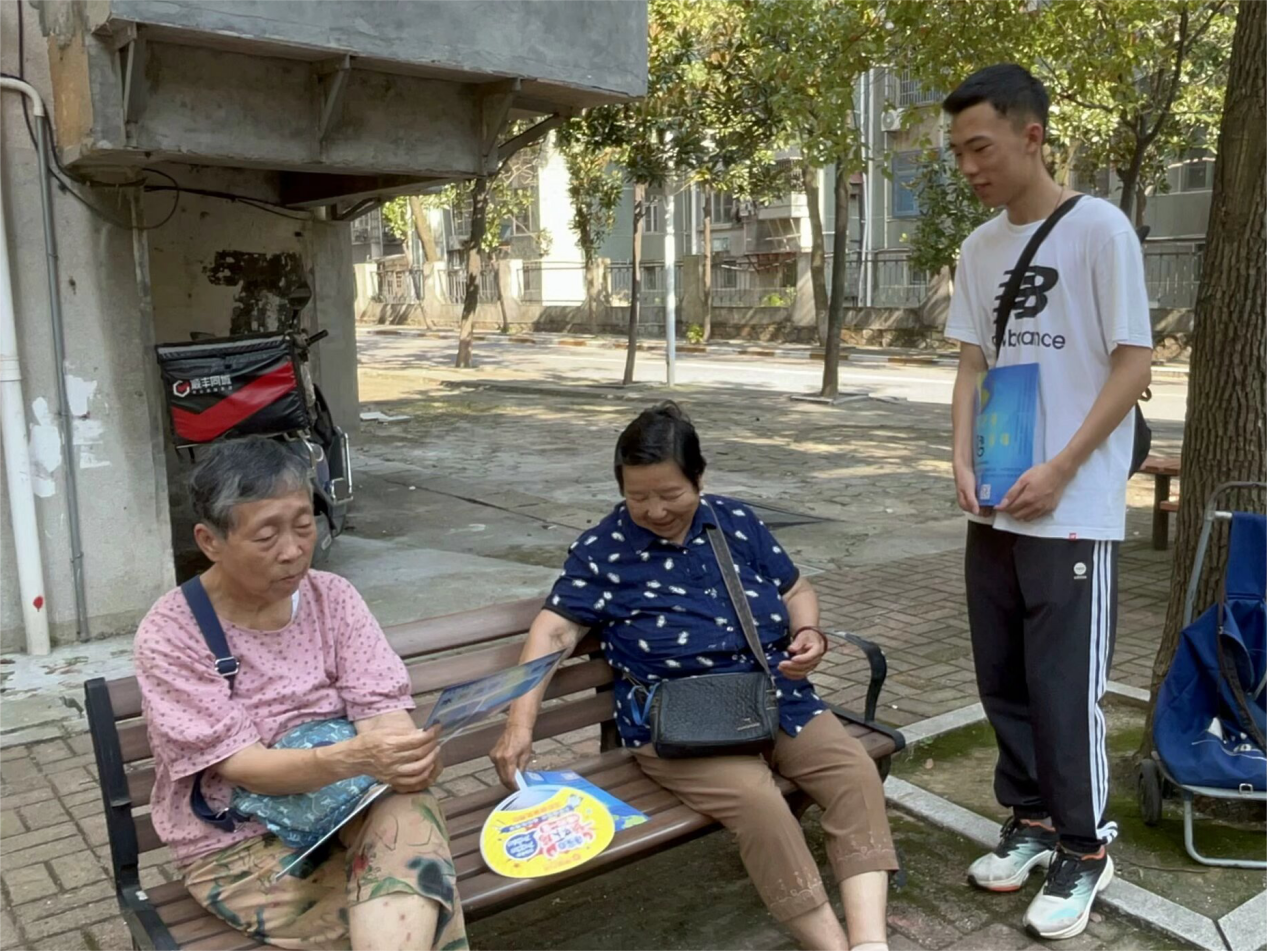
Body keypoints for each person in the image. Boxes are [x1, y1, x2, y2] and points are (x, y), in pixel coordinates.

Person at [490, 402, 897, 951]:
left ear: (699, 479)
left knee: (853, 774)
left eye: (671, 494)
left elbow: (796, 590)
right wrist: (519, 726)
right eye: (638, 497)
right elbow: (553, 633)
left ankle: (871, 942)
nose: (655, 510)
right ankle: (831, 946)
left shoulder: (738, 522)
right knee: (760, 805)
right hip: (678, 721)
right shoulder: (602, 551)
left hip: (774, 696)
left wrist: (810, 635)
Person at [943, 64, 1153, 940]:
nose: (968, 167)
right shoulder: (977, 249)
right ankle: (1029, 820)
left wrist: (1066, 466)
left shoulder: (1100, 231)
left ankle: (1084, 846)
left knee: (1065, 687)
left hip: (1070, 502)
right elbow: (969, 364)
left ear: (1031, 135)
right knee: (1003, 674)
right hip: (994, 495)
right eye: (956, 154)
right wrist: (958, 460)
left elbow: (1133, 363)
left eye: (979, 148)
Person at [133, 437, 467, 951]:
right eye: (266, 535)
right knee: (422, 898)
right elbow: (243, 766)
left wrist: (401, 756)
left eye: (304, 525)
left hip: (356, 809)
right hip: (239, 842)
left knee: (410, 810)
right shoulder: (173, 632)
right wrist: (356, 757)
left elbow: (381, 710)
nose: (292, 550)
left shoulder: (333, 597)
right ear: (210, 541)